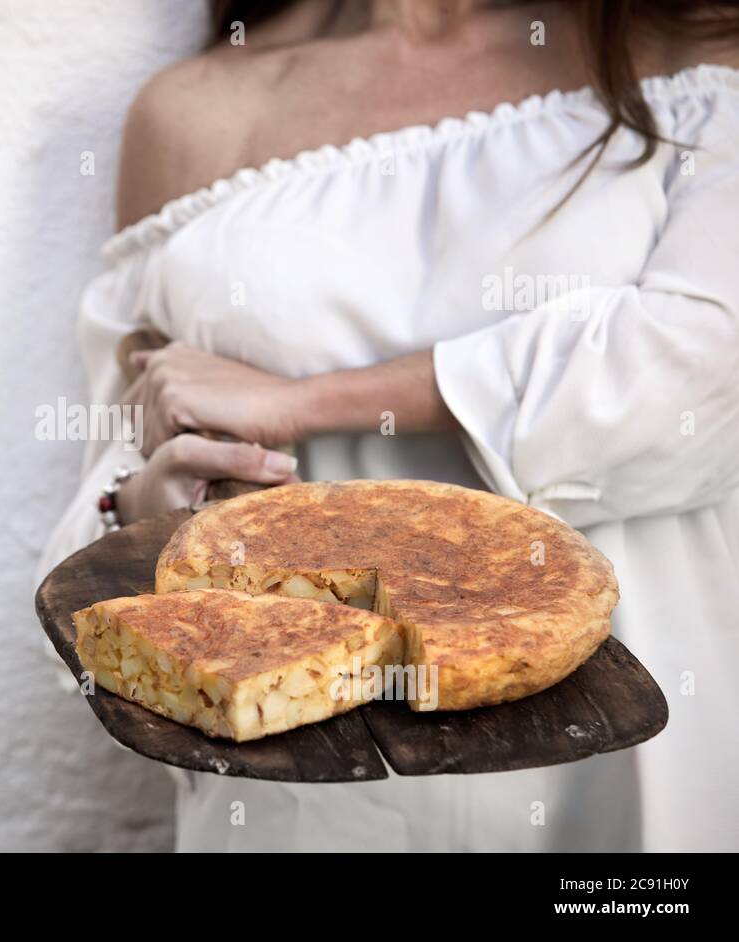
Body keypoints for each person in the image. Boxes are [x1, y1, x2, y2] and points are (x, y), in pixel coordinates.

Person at [38, 0, 739, 851]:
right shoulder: (195, 111)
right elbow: (123, 468)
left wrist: (307, 400)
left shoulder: (697, 42)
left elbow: (703, 368)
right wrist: (150, 503)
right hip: (305, 788)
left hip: (643, 753)